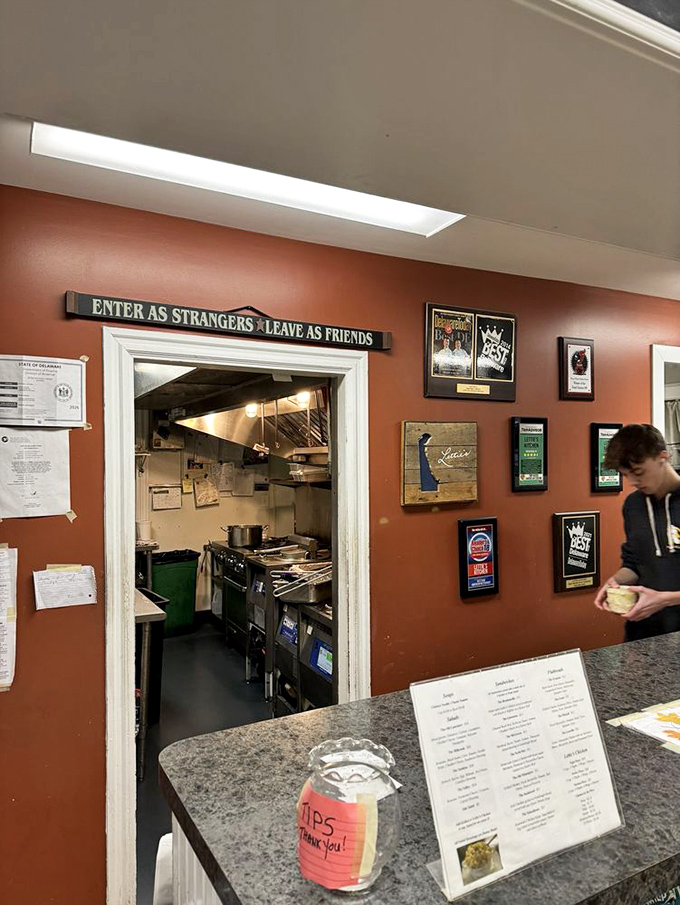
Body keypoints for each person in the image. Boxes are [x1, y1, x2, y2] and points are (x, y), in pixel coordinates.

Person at [594, 423, 680, 640]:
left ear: (663, 456)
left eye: (638, 472)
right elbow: (633, 564)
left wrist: (666, 599)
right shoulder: (633, 505)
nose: (632, 482)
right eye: (625, 475)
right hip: (644, 633)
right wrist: (616, 582)